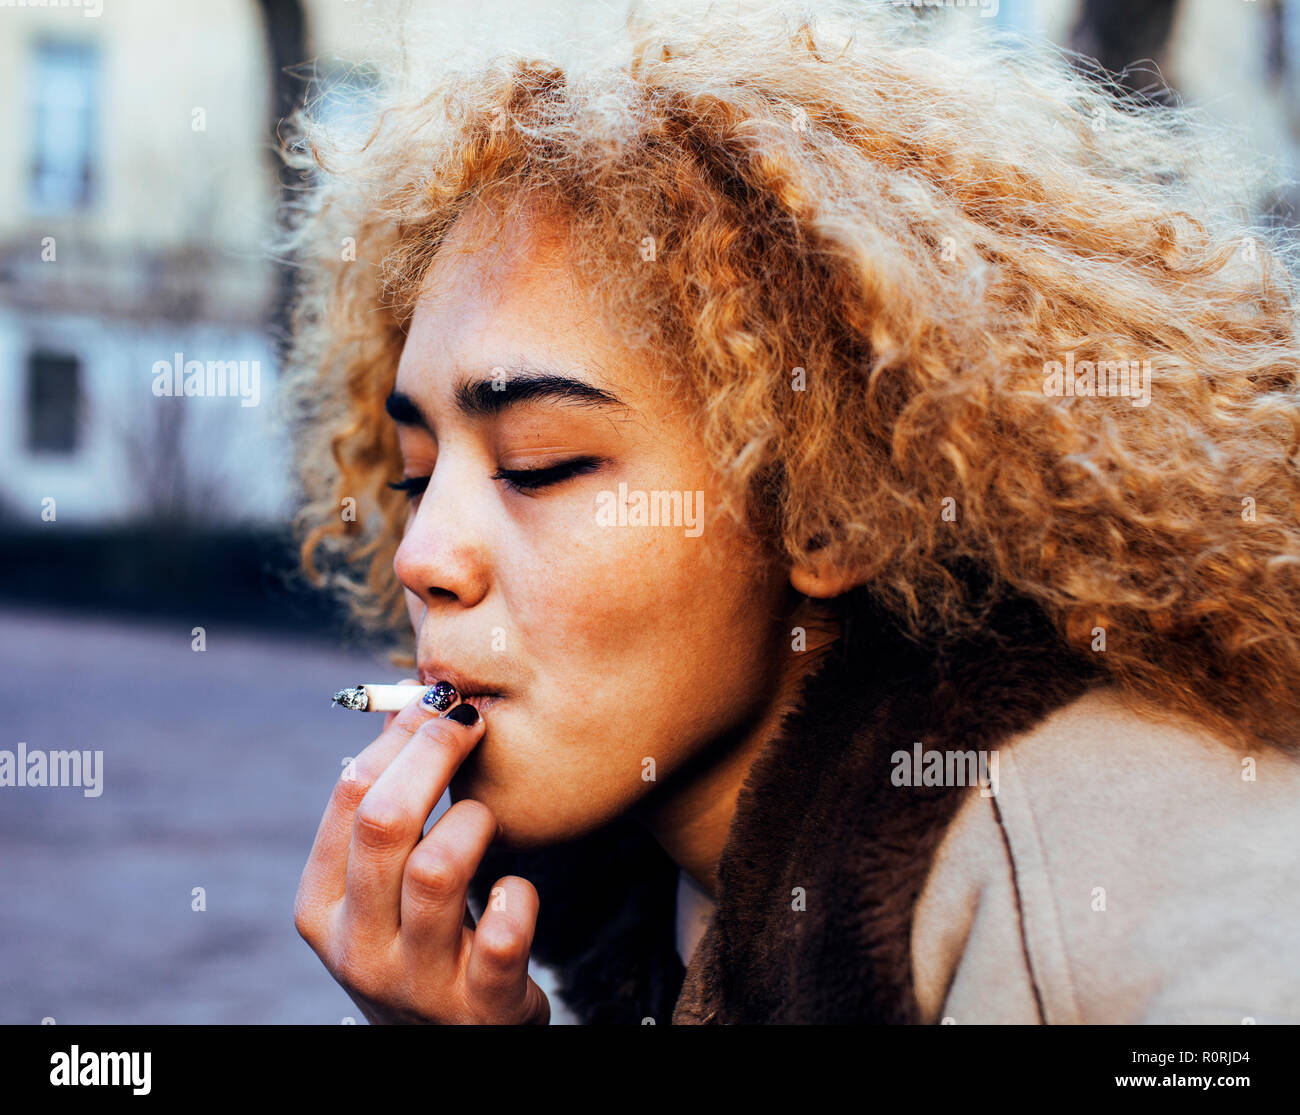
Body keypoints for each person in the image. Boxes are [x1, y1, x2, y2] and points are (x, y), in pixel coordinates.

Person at [285, 2, 1300, 1024]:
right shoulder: (677, 904)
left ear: (829, 507)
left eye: (538, 464)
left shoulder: (1111, 910)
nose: (422, 555)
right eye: (416, 474)